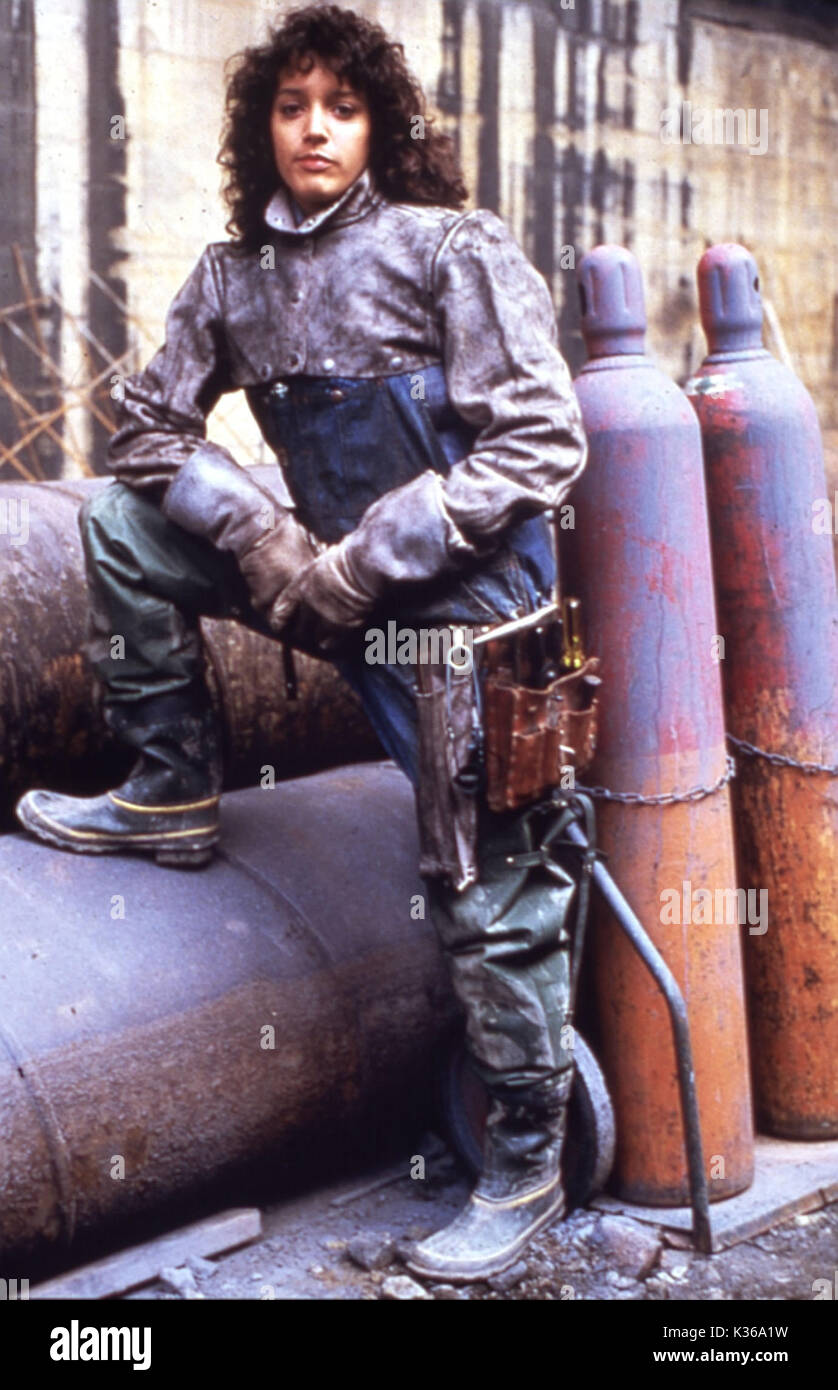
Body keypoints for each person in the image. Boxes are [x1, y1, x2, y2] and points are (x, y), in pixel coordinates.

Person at [16, 3, 587, 1283]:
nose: (313, 128)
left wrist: (368, 558)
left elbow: (544, 444)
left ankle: (525, 1165)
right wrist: (266, 541)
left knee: (488, 889)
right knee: (121, 524)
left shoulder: (451, 250)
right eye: (290, 106)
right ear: (260, 128)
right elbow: (146, 430)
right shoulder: (233, 280)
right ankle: (171, 791)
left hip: (461, 618)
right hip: (321, 586)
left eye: (340, 105)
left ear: (377, 123)